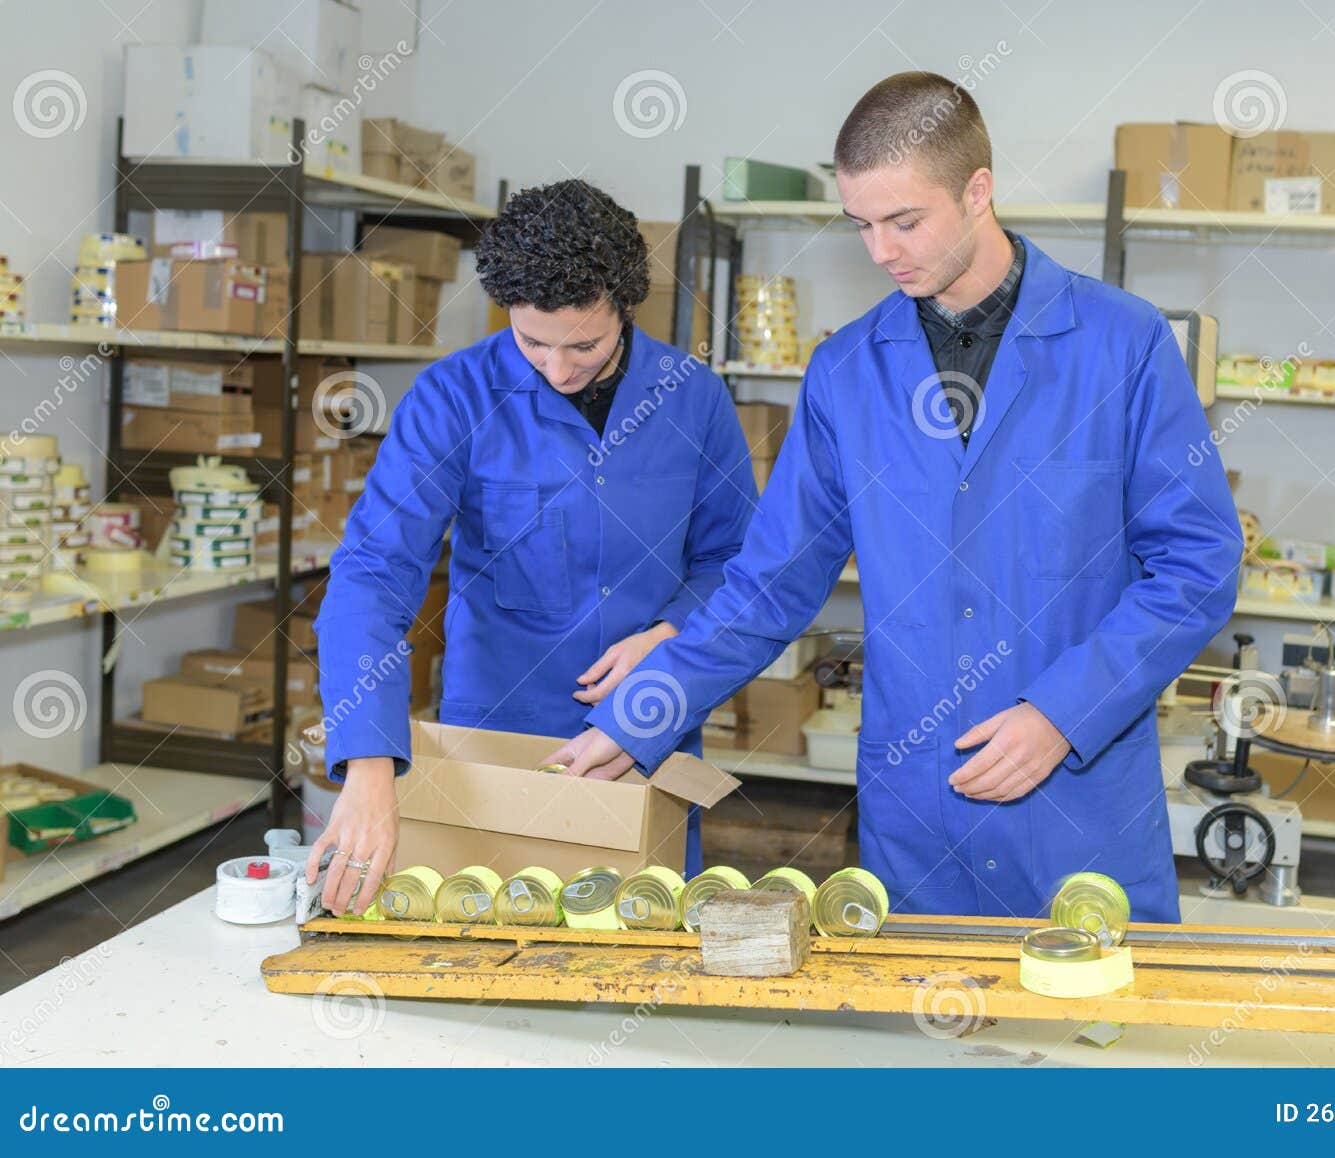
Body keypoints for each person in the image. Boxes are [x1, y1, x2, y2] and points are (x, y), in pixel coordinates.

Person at [555, 73, 1241, 924]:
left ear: (978, 191)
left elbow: (1200, 563)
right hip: (919, 805)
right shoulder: (847, 371)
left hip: (1078, 798)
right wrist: (644, 713)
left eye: (904, 221)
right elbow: (773, 580)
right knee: (925, 1045)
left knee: (1090, 1041)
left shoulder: (1122, 344)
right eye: (862, 225)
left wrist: (1066, 713)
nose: (881, 251)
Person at [305, 180, 758, 915]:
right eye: (532, 343)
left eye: (584, 344)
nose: (556, 369)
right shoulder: (452, 396)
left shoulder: (694, 398)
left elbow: (732, 563)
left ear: (625, 304)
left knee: (639, 948)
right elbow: (373, 574)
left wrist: (673, 632)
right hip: (498, 733)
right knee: (493, 947)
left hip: (651, 717)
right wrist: (366, 762)